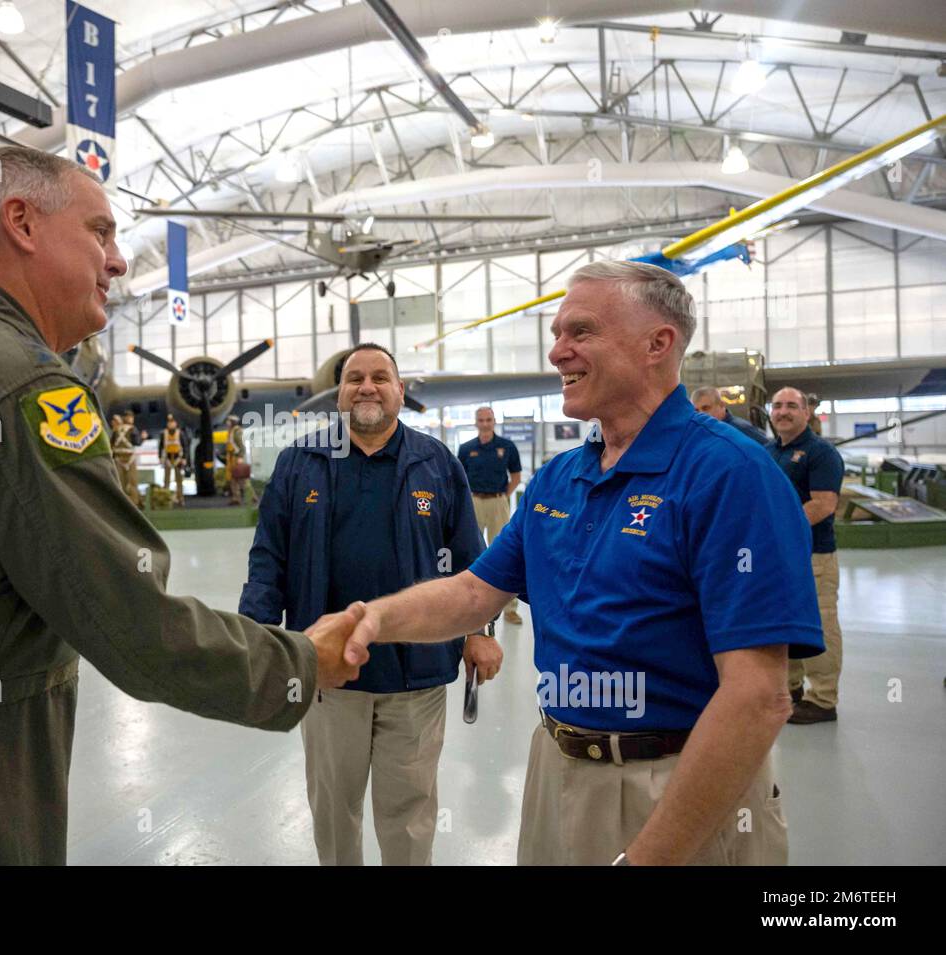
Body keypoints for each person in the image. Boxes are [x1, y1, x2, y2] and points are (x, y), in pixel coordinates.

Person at [0, 145, 364, 865]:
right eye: (99, 231)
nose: (118, 260)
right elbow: (132, 622)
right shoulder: (28, 387)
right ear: (22, 222)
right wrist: (300, 660)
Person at [340, 261, 825, 865]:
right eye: (556, 334)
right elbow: (472, 594)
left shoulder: (731, 475)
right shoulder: (561, 479)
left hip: (678, 787)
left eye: (580, 332)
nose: (556, 353)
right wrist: (373, 620)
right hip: (558, 771)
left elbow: (757, 698)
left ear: (658, 343)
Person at [240, 343, 498, 866]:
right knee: (334, 809)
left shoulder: (438, 464)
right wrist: (259, 638)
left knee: (409, 810)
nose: (367, 386)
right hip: (329, 672)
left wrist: (479, 632)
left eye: (381, 377)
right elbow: (269, 559)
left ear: (400, 391)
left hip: (418, 673)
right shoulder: (299, 464)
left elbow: (473, 560)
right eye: (355, 377)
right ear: (339, 393)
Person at [767, 387, 845, 725]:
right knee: (786, 623)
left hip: (814, 556)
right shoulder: (769, 451)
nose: (783, 412)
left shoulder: (820, 452)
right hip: (778, 558)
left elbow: (824, 504)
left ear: (807, 412)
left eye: (791, 406)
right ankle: (793, 688)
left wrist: (778, 529)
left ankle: (823, 699)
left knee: (821, 624)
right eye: (778, 406)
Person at [457, 406, 524, 624]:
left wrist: (503, 497)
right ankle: (468, 604)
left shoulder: (507, 446)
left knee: (506, 554)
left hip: (498, 502)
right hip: (473, 503)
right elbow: (459, 479)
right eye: (481, 420)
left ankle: (510, 609)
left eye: (489, 419)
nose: (485, 423)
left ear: (494, 421)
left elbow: (515, 476)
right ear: (476, 423)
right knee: (471, 550)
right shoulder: (466, 449)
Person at [690, 386, 769, 445]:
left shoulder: (741, 430)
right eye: (696, 411)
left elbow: (769, 451)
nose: (700, 414)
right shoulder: (701, 433)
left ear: (721, 405)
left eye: (706, 408)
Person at [224, 413, 258, 506]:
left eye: (229, 421)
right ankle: (236, 498)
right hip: (232, 457)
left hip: (236, 457)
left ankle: (252, 497)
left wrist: (240, 457)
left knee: (243, 479)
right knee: (233, 479)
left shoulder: (237, 431)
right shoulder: (231, 431)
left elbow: (241, 445)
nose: (227, 422)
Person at [109, 412, 141, 508]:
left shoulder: (116, 430)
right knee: (132, 482)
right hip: (129, 458)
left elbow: (112, 444)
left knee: (121, 482)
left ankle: (122, 504)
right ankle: (134, 503)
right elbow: (137, 442)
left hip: (119, 459)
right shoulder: (133, 429)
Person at [158, 413, 187, 505]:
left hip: (178, 457)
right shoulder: (164, 434)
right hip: (168, 458)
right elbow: (161, 446)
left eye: (172, 422)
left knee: (179, 480)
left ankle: (180, 498)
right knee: (166, 479)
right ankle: (166, 499)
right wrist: (160, 457)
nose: (171, 424)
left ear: (175, 423)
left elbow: (185, 446)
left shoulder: (180, 433)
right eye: (169, 423)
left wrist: (184, 458)